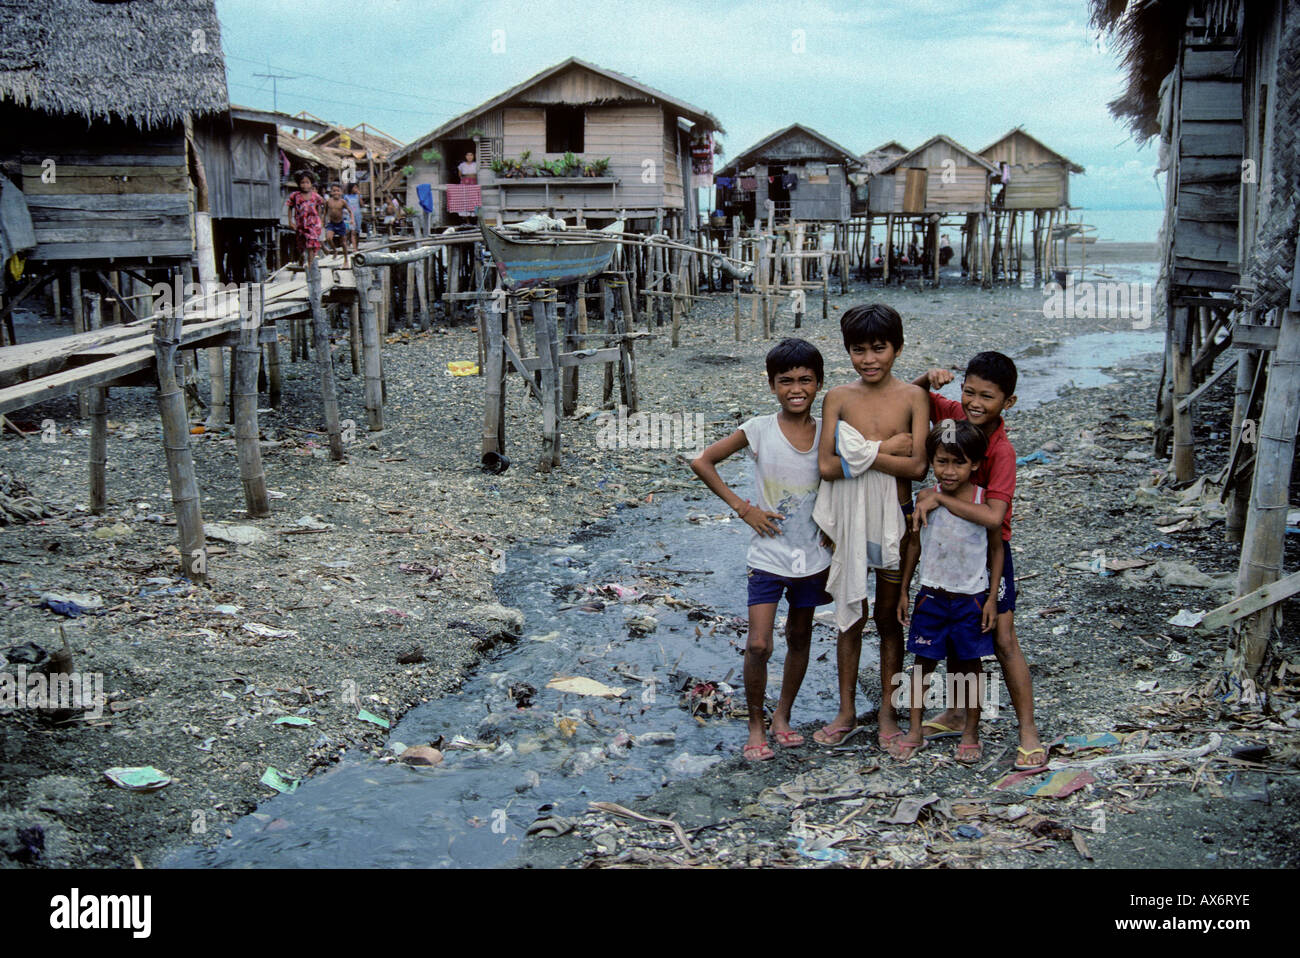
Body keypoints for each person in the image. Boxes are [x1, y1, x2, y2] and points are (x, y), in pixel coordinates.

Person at [691, 339, 834, 761]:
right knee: (758, 644)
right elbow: (703, 462)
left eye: (805, 380)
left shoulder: (830, 430)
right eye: (785, 381)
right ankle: (755, 724)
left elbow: (851, 474)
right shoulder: (758, 428)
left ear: (819, 383)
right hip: (768, 555)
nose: (796, 388)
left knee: (800, 634)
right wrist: (744, 508)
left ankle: (782, 718)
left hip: (814, 555)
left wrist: (836, 525)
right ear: (771, 385)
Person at [911, 352, 1045, 769]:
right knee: (953, 637)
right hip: (945, 553)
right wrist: (925, 376)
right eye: (968, 391)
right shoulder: (952, 418)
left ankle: (1028, 730)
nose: (974, 402)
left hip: (989, 558)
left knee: (1003, 640)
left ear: (1008, 402)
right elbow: (911, 397)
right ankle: (954, 714)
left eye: (987, 397)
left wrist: (941, 497)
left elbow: (994, 518)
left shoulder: (1002, 451)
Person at [811, 304, 928, 749]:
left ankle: (887, 709)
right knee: (850, 615)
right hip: (849, 521)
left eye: (879, 348)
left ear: (897, 348)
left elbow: (917, 467)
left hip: (896, 521)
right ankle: (845, 710)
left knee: (889, 616)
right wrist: (885, 448)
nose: (869, 359)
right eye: (858, 350)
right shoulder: (839, 397)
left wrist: (863, 456)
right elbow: (825, 465)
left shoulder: (914, 398)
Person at [891, 420, 1003, 763]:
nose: (949, 471)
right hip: (932, 596)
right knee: (922, 665)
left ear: (975, 464)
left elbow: (997, 550)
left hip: (971, 597)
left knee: (970, 666)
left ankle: (970, 734)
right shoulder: (925, 499)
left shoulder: (984, 503)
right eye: (942, 462)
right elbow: (914, 545)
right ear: (932, 462)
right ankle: (913, 731)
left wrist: (992, 600)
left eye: (958, 462)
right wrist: (905, 589)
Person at [286, 170, 325, 267]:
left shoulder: (316, 196)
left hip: (313, 224)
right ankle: (302, 257)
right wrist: (290, 221)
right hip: (300, 224)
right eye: (302, 183)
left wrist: (320, 220)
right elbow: (290, 208)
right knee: (301, 245)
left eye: (307, 182)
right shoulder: (295, 196)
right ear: (299, 184)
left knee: (311, 244)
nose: (305, 185)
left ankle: (310, 266)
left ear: (311, 184)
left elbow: (321, 206)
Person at [323, 183, 353, 267]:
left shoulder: (342, 202)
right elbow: (325, 212)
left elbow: (350, 211)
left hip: (340, 223)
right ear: (331, 192)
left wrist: (352, 219)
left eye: (338, 191)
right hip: (331, 223)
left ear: (341, 192)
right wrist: (322, 221)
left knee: (343, 243)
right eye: (334, 191)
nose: (336, 192)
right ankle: (334, 250)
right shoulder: (328, 201)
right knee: (328, 238)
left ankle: (346, 260)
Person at [344, 182, 364, 251]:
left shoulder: (358, 196)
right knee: (351, 231)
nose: (356, 189)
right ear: (351, 188)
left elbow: (362, 205)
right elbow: (345, 206)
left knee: (357, 231)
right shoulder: (346, 196)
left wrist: (359, 196)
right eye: (354, 187)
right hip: (349, 216)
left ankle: (356, 246)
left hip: (358, 215)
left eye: (357, 187)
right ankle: (353, 247)